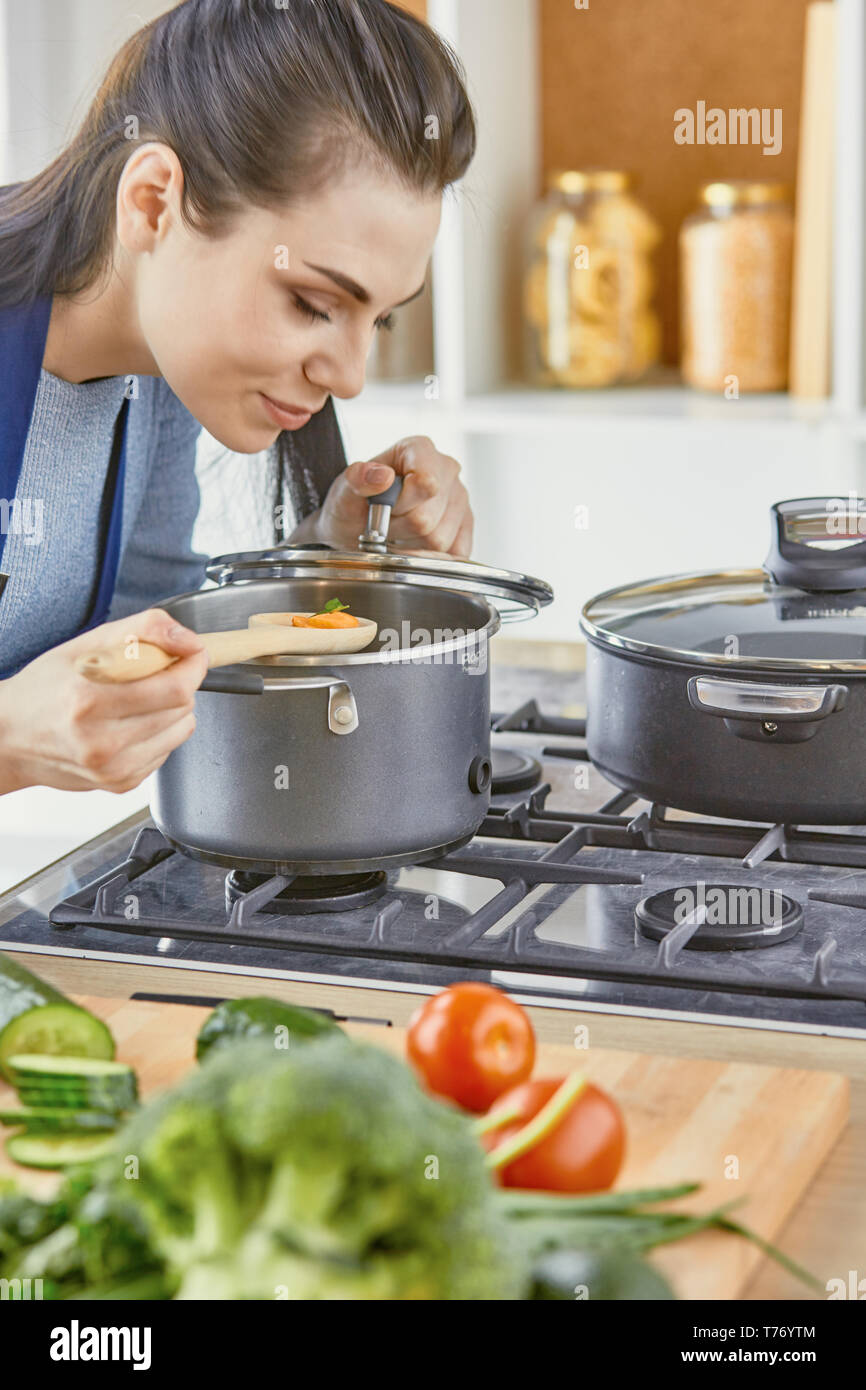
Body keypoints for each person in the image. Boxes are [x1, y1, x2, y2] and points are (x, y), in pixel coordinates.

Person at [0, 0, 475, 796]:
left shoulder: (157, 376)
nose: (350, 378)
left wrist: (330, 567)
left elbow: (148, 634)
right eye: (312, 303)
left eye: (379, 317)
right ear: (153, 201)